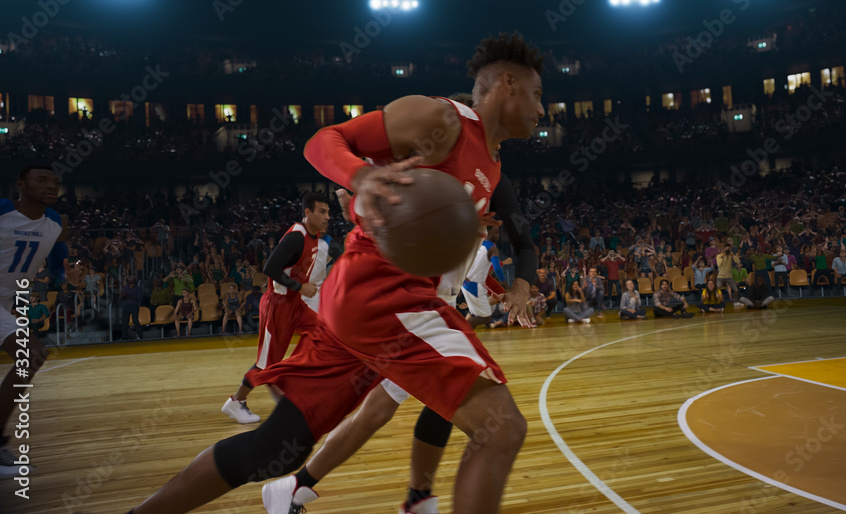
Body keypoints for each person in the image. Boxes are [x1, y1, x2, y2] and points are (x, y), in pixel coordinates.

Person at [129, 33, 542, 514]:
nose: (542, 109)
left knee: (272, 449)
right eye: (537, 94)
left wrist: (476, 238)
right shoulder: (442, 119)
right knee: (503, 428)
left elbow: (454, 230)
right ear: (507, 84)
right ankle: (417, 497)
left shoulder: (492, 166)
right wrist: (359, 175)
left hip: (360, 302)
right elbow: (326, 140)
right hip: (389, 293)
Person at [0, 166, 82, 478]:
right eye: (42, 180)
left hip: (4, 302)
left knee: (32, 356)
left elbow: (59, 263)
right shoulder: (3, 211)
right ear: (20, 184)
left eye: (55, 182)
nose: (51, 186)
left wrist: (67, 274)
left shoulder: (57, 223)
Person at [221, 193, 330, 424]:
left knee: (324, 333)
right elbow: (269, 267)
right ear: (308, 213)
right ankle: (236, 402)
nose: (327, 216)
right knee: (265, 364)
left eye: (328, 212)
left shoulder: (315, 235)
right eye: (322, 211)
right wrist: (300, 287)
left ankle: (288, 385)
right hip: (278, 306)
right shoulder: (296, 237)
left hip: (295, 305)